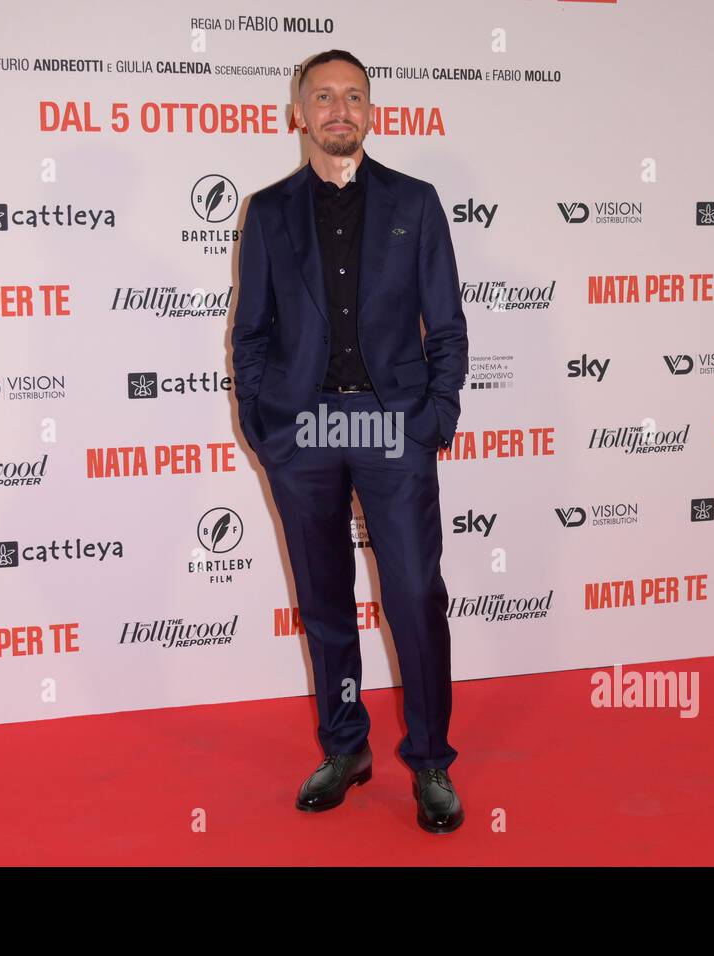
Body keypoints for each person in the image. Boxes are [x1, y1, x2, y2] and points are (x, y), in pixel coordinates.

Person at [230, 49, 469, 833]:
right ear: (299, 113)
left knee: (412, 595)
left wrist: (431, 418)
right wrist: (268, 427)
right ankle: (345, 746)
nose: (340, 110)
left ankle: (431, 759)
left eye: (354, 97)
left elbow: (449, 324)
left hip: (390, 425)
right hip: (305, 432)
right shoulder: (267, 212)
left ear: (372, 111)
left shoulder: (416, 202)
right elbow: (252, 332)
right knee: (326, 602)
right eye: (324, 98)